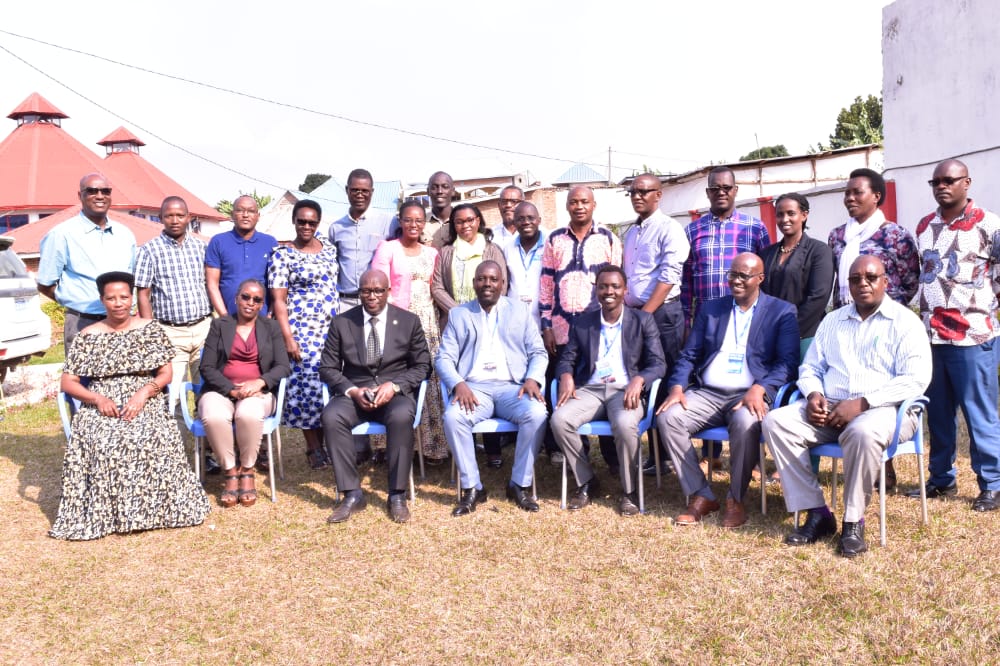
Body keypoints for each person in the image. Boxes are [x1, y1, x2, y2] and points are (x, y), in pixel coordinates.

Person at [762, 256, 931, 558]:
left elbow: (915, 380)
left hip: (886, 410)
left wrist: (864, 403)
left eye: (871, 277)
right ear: (848, 284)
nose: (863, 283)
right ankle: (817, 513)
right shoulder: (833, 321)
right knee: (777, 421)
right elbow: (811, 367)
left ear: (885, 281)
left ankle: (853, 522)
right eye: (855, 279)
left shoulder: (905, 322)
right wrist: (813, 394)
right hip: (832, 407)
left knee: (863, 432)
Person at [49, 271, 209, 540]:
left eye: (124, 296)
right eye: (111, 298)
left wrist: (144, 393)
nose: (119, 303)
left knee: (152, 433)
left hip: (145, 396)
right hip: (101, 401)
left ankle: (157, 511)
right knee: (103, 439)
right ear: (102, 301)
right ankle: (108, 514)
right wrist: (97, 399)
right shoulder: (88, 335)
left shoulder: (150, 329)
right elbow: (68, 383)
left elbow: (165, 373)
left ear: (132, 298)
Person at [656, 253, 799, 528]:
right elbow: (689, 355)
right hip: (708, 392)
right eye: (732, 274)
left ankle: (736, 499)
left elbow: (787, 363)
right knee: (668, 417)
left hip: (748, 393)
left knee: (746, 422)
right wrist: (676, 387)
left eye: (744, 275)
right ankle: (701, 494)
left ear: (760, 279)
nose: (736, 280)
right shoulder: (711, 309)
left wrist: (761, 388)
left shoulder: (781, 311)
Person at [910, 159, 1000, 511]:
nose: (942, 186)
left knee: (979, 412)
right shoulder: (924, 226)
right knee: (939, 412)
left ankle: (991, 483)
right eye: (936, 182)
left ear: (967, 183)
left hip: (973, 337)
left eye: (949, 180)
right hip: (931, 336)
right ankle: (941, 479)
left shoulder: (990, 225)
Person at [550, 266, 666, 516]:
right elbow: (566, 358)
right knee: (559, 420)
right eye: (603, 286)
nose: (609, 291)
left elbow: (658, 363)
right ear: (597, 290)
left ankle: (629, 490)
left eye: (615, 286)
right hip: (590, 390)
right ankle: (587, 480)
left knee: (625, 425)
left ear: (625, 290)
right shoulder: (583, 322)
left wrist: (640, 380)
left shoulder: (642, 320)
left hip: (625, 390)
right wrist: (566, 375)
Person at [437, 261, 549, 515]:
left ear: (503, 284)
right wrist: (458, 383)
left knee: (537, 413)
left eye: (493, 279)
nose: (487, 284)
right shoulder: (459, 314)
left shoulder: (520, 311)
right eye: (481, 279)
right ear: (474, 283)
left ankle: (519, 484)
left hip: (514, 388)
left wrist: (532, 378)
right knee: (454, 418)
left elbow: (538, 352)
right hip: (475, 391)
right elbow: (443, 358)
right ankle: (473, 488)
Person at [319, 270, 431, 524]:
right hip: (356, 392)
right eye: (366, 291)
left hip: (394, 393)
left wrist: (395, 386)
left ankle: (397, 495)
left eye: (378, 290)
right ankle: (352, 494)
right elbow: (327, 367)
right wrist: (352, 390)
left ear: (388, 291)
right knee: (331, 415)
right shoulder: (342, 323)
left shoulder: (408, 321)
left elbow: (423, 365)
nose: (372, 296)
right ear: (359, 293)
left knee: (402, 416)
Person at [680, 166, 771, 472]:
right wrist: (685, 318)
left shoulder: (754, 228)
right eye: (714, 188)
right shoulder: (692, 231)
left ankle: (753, 456)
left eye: (726, 188)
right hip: (708, 321)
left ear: (735, 191)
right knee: (709, 381)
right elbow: (687, 280)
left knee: (745, 377)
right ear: (707, 193)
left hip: (745, 319)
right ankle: (710, 453)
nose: (721, 192)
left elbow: (763, 276)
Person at [540, 186, 624, 472]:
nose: (579, 206)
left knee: (603, 385)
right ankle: (575, 454)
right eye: (573, 202)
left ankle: (614, 457)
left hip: (598, 332)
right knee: (568, 388)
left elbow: (616, 283)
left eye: (584, 202)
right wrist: (546, 324)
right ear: (566, 206)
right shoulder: (554, 239)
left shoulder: (608, 239)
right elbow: (546, 283)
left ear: (593, 205)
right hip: (562, 329)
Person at [198, 279, 290, 508]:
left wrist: (260, 382)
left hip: (258, 392)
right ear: (236, 298)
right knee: (213, 415)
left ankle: (247, 469)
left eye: (257, 299)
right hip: (221, 389)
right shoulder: (220, 325)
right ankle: (230, 471)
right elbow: (207, 367)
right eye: (246, 297)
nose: (251, 303)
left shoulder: (272, 327)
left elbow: (283, 366)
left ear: (262, 305)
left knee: (248, 414)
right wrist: (231, 389)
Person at [370, 200, 449, 464]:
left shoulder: (432, 253)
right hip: (396, 322)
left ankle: (432, 446)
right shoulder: (388, 248)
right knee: (397, 376)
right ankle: (392, 445)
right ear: (400, 221)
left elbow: (436, 288)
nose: (413, 225)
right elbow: (379, 286)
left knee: (429, 378)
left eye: (419, 220)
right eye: (408, 219)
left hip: (427, 322)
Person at [622, 173, 690, 477]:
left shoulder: (669, 229)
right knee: (643, 378)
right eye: (633, 192)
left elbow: (669, 277)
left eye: (644, 192)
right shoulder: (631, 233)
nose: (638, 197)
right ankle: (655, 455)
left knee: (664, 379)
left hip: (662, 315)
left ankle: (668, 456)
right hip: (637, 314)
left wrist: (644, 315)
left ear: (658, 195)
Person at [268, 200, 339, 470]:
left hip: (330, 331)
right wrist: (288, 338)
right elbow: (278, 300)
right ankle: (313, 448)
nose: (306, 226)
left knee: (329, 388)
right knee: (306, 390)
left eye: (311, 222)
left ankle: (330, 443)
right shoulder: (283, 255)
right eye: (301, 221)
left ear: (318, 223)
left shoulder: (329, 250)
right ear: (294, 221)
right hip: (302, 332)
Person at [37, 173, 136, 348]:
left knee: (126, 375)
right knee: (82, 376)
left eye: (105, 191)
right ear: (80, 196)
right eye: (92, 191)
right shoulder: (61, 235)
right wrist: (77, 304)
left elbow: (131, 280)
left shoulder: (125, 235)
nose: (100, 196)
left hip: (123, 324)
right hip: (83, 322)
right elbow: (45, 284)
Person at [136, 196, 212, 411]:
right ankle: (177, 443)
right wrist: (151, 332)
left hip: (203, 328)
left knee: (207, 389)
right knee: (173, 393)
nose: (175, 220)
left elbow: (211, 284)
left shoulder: (201, 247)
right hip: (170, 332)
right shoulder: (149, 250)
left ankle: (205, 442)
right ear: (161, 218)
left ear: (188, 217)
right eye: (169, 215)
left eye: (180, 215)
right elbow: (143, 294)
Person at [828, 168, 919, 309]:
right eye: (847, 194)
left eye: (858, 192)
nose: (850, 198)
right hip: (846, 316)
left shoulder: (896, 235)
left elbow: (911, 282)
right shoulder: (837, 236)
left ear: (876, 196)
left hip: (887, 316)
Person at [758, 192, 835, 355]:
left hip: (806, 335)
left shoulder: (819, 251)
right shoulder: (767, 254)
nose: (784, 219)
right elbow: (760, 295)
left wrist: (788, 331)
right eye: (780, 214)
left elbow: (818, 296)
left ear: (804, 215)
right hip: (769, 334)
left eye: (791, 213)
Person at [328, 168, 399, 313]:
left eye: (364, 191)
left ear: (371, 192)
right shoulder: (336, 228)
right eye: (355, 190)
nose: (360, 195)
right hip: (345, 302)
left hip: (377, 301)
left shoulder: (389, 222)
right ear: (347, 190)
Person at [430, 203, 509, 331]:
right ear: (454, 225)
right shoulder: (445, 252)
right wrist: (459, 312)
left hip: (488, 318)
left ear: (478, 221)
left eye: (470, 220)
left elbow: (502, 284)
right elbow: (437, 287)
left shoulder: (492, 250)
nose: (465, 225)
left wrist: (483, 310)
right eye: (459, 222)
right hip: (455, 321)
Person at [205, 194, 278, 318]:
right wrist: (224, 317)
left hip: (262, 319)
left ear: (258, 216)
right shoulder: (218, 242)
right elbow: (212, 284)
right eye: (240, 210)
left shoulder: (270, 243)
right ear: (232, 214)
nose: (245, 215)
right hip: (230, 317)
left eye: (251, 211)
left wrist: (270, 314)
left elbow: (276, 283)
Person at [424, 171, 456, 249]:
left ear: (453, 191)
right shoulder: (420, 223)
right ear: (428, 191)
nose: (440, 191)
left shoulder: (463, 221)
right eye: (434, 187)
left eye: (445, 186)